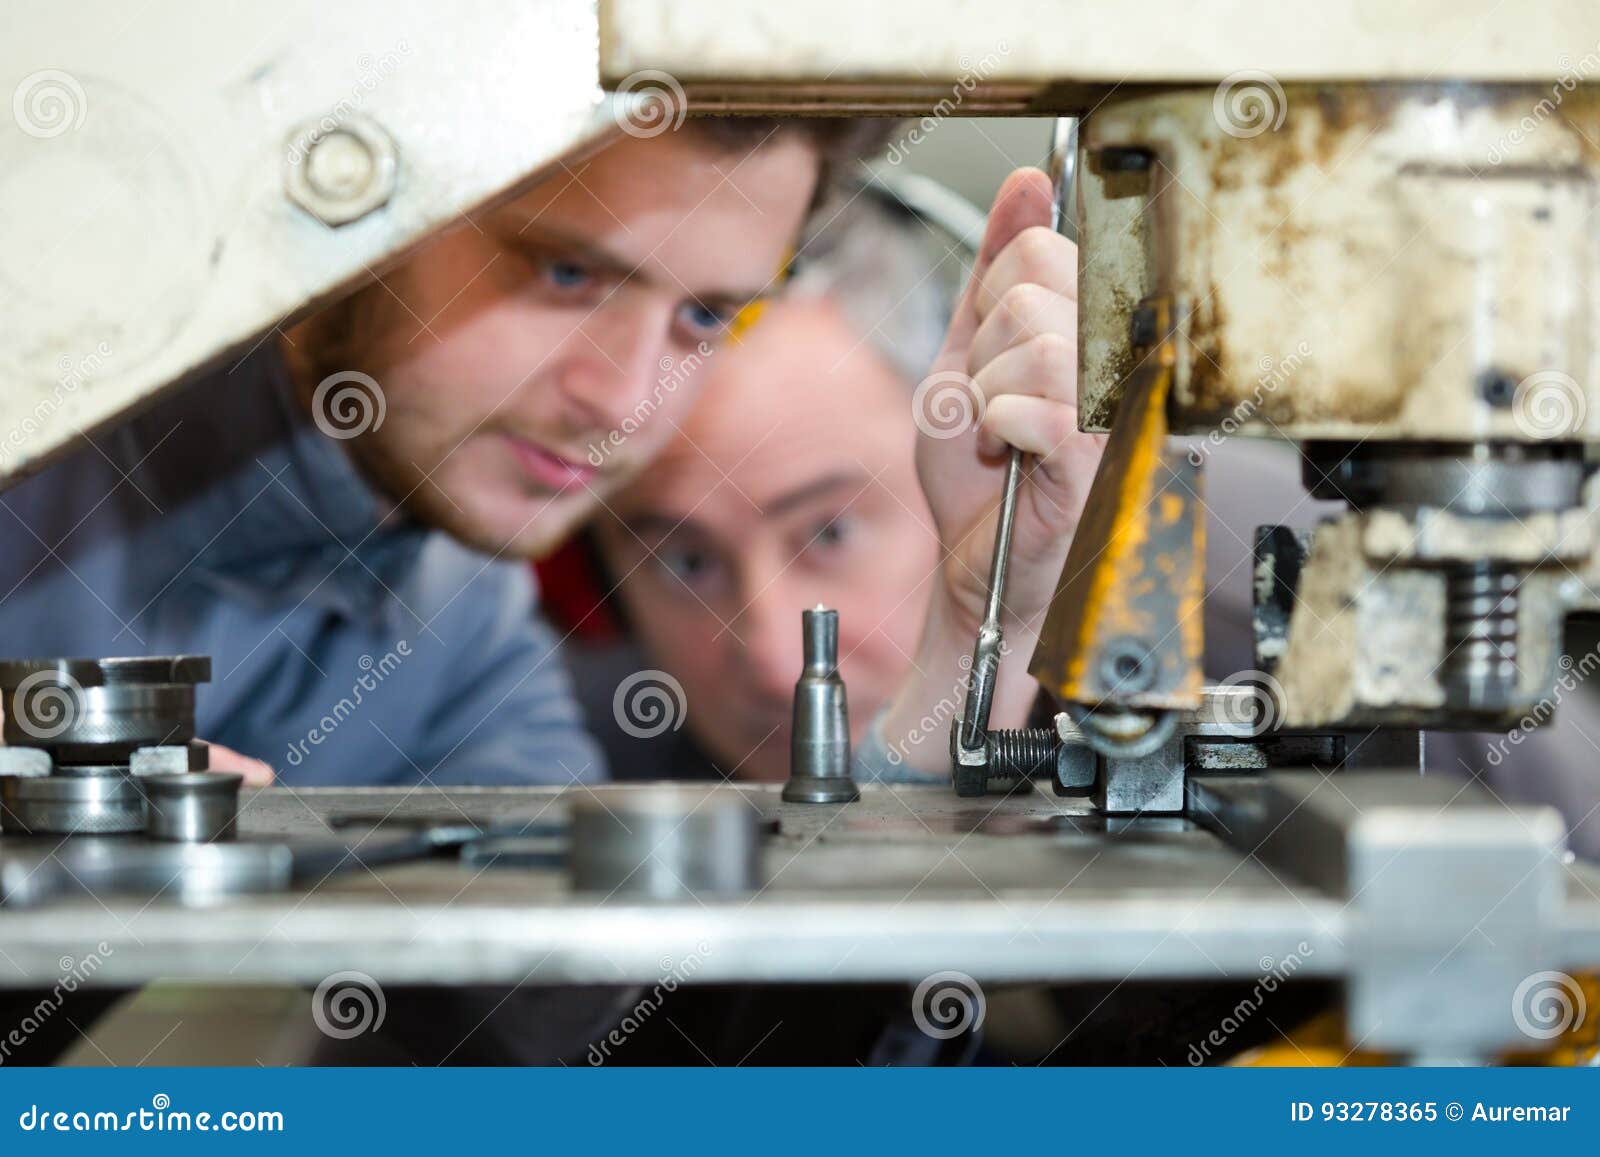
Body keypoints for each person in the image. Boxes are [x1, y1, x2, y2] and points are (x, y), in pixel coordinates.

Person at [0, 117, 881, 786]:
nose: (620, 400)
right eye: (564, 274)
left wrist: (966, 637)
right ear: (350, 193)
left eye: (704, 317)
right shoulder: (31, 405)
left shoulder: (468, 634)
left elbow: (568, 1010)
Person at [581, 177, 1103, 782]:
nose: (775, 664)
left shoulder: (1213, 687)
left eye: (830, 533)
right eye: (686, 565)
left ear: (994, 457)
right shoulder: (565, 758)